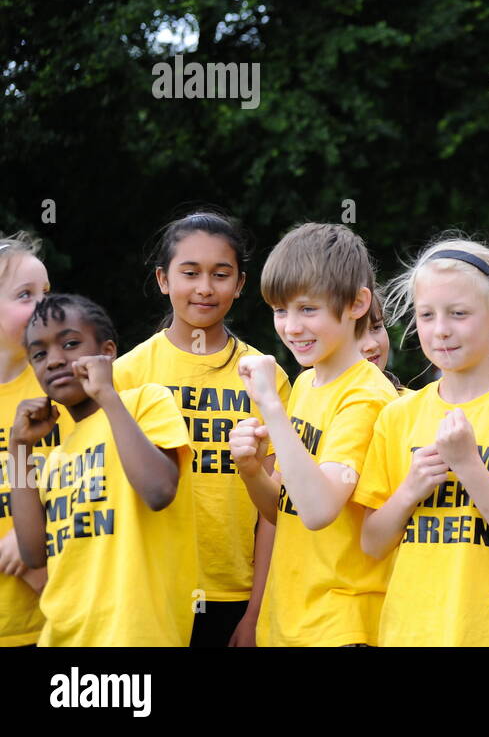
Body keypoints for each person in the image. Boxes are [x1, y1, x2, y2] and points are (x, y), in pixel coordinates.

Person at [355, 236, 489, 646]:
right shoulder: (398, 417)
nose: (441, 331)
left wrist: (469, 466)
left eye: (459, 314)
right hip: (410, 633)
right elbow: (372, 542)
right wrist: (411, 488)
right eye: (427, 315)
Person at [112, 211, 289, 647]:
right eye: (189, 273)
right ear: (163, 279)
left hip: (237, 592)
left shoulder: (268, 377)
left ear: (240, 284)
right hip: (149, 589)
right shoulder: (125, 376)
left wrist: (256, 611)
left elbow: (278, 507)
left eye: (220, 274)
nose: (205, 288)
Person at [229, 222, 397, 646]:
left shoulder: (367, 394)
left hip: (341, 625)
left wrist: (271, 406)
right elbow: (285, 507)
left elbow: (320, 509)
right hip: (290, 621)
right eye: (280, 310)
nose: (291, 327)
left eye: (308, 309)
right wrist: (252, 471)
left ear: (358, 304)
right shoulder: (307, 383)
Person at [9, 294, 197, 646]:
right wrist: (19, 449)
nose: (54, 361)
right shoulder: (58, 456)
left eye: (70, 344)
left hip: (137, 636)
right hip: (62, 637)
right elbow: (33, 553)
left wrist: (108, 395)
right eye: (39, 354)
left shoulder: (145, 402)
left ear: (107, 352)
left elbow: (159, 492)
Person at [0, 233, 68, 647]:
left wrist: (26, 539)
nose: (44, 306)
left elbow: (90, 475)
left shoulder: (60, 385)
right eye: (26, 295)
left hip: (50, 619)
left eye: (47, 292)